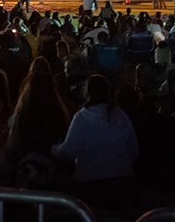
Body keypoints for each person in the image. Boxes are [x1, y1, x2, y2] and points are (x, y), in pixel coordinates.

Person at [53, 74, 139, 204]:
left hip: (90, 187)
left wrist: (54, 148)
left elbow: (69, 152)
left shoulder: (81, 118)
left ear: (86, 93)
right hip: (123, 184)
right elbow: (134, 152)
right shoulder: (121, 116)